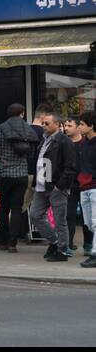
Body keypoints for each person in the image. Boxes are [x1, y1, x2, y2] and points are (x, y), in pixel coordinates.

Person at [0, 103, 35, 253]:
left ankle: (4, 240)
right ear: (22, 114)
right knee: (17, 208)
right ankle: (13, 242)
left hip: (5, 174)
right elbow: (32, 152)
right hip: (22, 175)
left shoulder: (0, 130)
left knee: (4, 207)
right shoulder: (28, 129)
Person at [29, 109, 76, 262]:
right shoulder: (44, 139)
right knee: (35, 215)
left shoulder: (64, 141)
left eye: (47, 123)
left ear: (56, 124)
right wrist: (36, 181)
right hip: (42, 185)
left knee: (60, 220)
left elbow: (70, 166)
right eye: (42, 123)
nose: (43, 126)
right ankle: (56, 241)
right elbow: (40, 161)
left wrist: (60, 186)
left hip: (56, 186)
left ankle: (62, 251)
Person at [63, 117, 91, 256]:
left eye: (69, 125)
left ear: (77, 127)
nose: (66, 128)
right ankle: (68, 244)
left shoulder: (85, 143)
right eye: (65, 125)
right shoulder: (64, 142)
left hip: (85, 184)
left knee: (87, 217)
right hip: (69, 184)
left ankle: (88, 244)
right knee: (69, 215)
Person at [75, 113, 96, 267]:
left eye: (82, 124)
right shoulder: (83, 144)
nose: (79, 127)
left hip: (94, 187)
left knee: (95, 223)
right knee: (88, 223)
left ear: (91, 126)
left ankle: (95, 254)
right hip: (84, 187)